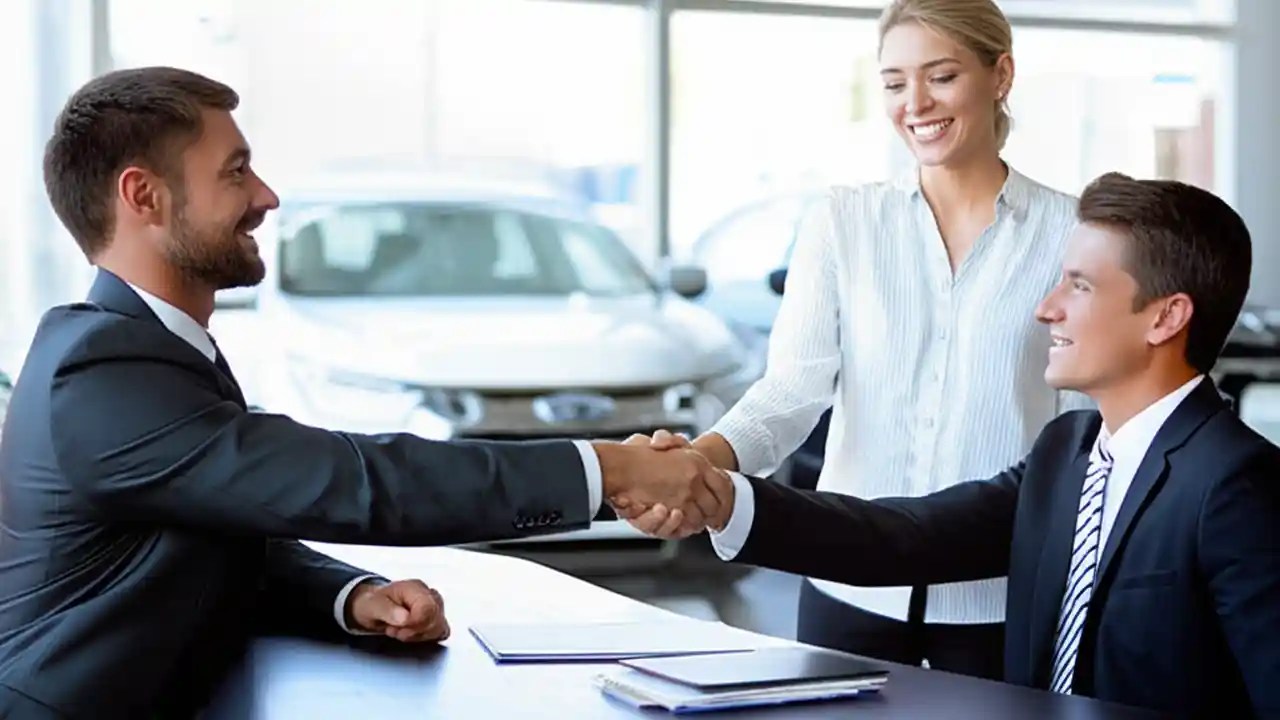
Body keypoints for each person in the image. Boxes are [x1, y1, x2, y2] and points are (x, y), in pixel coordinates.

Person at [0, 66, 730, 719]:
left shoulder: (146, 349)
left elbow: (219, 524)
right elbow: (352, 478)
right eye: (236, 172)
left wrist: (349, 596)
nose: (266, 196)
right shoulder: (98, 372)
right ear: (144, 197)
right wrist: (613, 469)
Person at [621, 172, 1280, 716]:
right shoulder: (1068, 452)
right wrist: (718, 500)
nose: (1046, 308)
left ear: (1166, 317)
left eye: (1079, 285)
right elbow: (903, 535)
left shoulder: (1236, 485)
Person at [670, 0, 1085, 679]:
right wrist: (696, 465)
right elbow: (792, 390)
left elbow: (1082, 421)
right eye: (895, 83)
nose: (915, 103)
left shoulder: (1071, 232)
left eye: (941, 75)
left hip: (1001, 593)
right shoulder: (844, 221)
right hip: (847, 586)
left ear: (1000, 74)